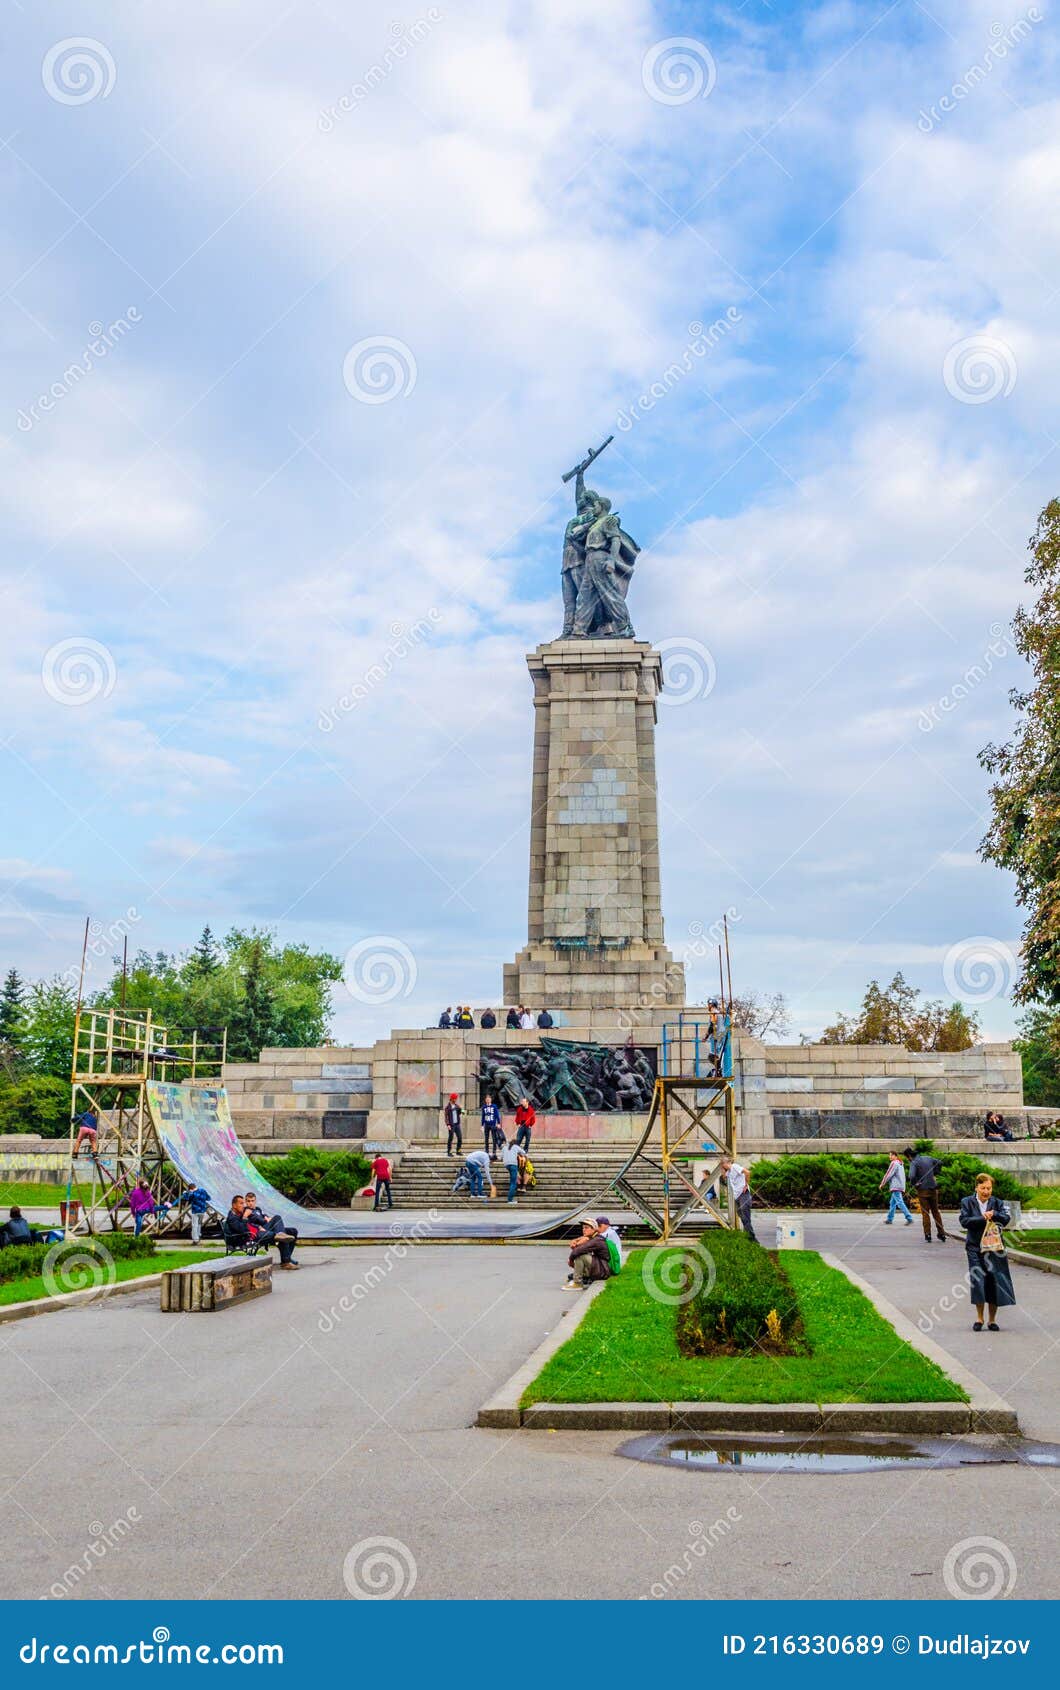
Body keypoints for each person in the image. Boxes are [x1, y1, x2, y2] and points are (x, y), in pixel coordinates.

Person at [959, 1172, 1016, 1331]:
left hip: (994, 1248)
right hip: (974, 1248)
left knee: (994, 1281)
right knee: (978, 1281)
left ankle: (992, 1320)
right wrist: (982, 1218)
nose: (986, 1191)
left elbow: (1005, 1219)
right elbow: (964, 1221)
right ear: (976, 1187)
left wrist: (995, 1214)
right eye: (983, 1188)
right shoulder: (967, 1202)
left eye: (989, 1188)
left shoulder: (996, 1202)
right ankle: (979, 1318)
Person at [244, 1192, 299, 1267]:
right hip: (261, 1232)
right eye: (248, 1201)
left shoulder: (258, 1209)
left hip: (268, 1228)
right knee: (277, 1218)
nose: (250, 1203)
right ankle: (286, 1260)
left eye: (252, 1201)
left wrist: (267, 1218)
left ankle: (287, 1257)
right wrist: (258, 1226)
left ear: (255, 1201)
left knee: (293, 1231)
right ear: (245, 1201)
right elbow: (246, 1223)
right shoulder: (246, 1211)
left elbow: (265, 1216)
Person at [908, 1145, 947, 1242]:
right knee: (936, 1211)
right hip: (933, 1188)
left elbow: (912, 1176)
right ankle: (941, 1233)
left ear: (909, 1156)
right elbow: (940, 1162)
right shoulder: (928, 1158)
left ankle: (928, 1234)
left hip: (922, 1190)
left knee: (925, 1212)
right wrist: (935, 1172)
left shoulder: (914, 1162)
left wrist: (915, 1184)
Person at [565, 1219, 612, 1289]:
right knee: (581, 1254)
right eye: (583, 1228)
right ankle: (581, 1278)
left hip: (602, 1271)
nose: (584, 1230)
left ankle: (577, 1283)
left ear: (594, 1229)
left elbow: (577, 1251)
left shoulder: (596, 1240)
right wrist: (575, 1241)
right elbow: (579, 1242)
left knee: (580, 1255)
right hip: (600, 1268)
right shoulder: (593, 1237)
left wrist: (571, 1260)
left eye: (586, 1228)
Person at [720, 1156, 756, 1241]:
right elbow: (724, 1178)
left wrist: (746, 1185)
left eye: (722, 1164)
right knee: (741, 1215)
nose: (722, 1166)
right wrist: (723, 1170)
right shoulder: (729, 1172)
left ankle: (752, 1238)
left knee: (745, 1214)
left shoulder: (734, 1167)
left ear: (726, 1163)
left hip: (743, 1194)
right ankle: (748, 1235)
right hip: (737, 1196)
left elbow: (747, 1172)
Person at [878, 1150, 915, 1226]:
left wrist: (882, 1183)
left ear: (895, 1156)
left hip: (896, 1186)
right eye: (889, 1155)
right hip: (900, 1185)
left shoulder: (894, 1163)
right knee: (892, 1203)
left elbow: (888, 1174)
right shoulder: (900, 1163)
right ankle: (889, 1219)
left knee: (900, 1202)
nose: (890, 1156)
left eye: (891, 1155)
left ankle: (909, 1218)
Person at [501, 1137, 521, 1204]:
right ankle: (510, 1200)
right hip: (513, 1165)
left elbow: (501, 1157)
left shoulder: (504, 1147)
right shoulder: (516, 1146)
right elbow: (523, 1152)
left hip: (507, 1165)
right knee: (513, 1183)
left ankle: (510, 1198)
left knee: (512, 1180)